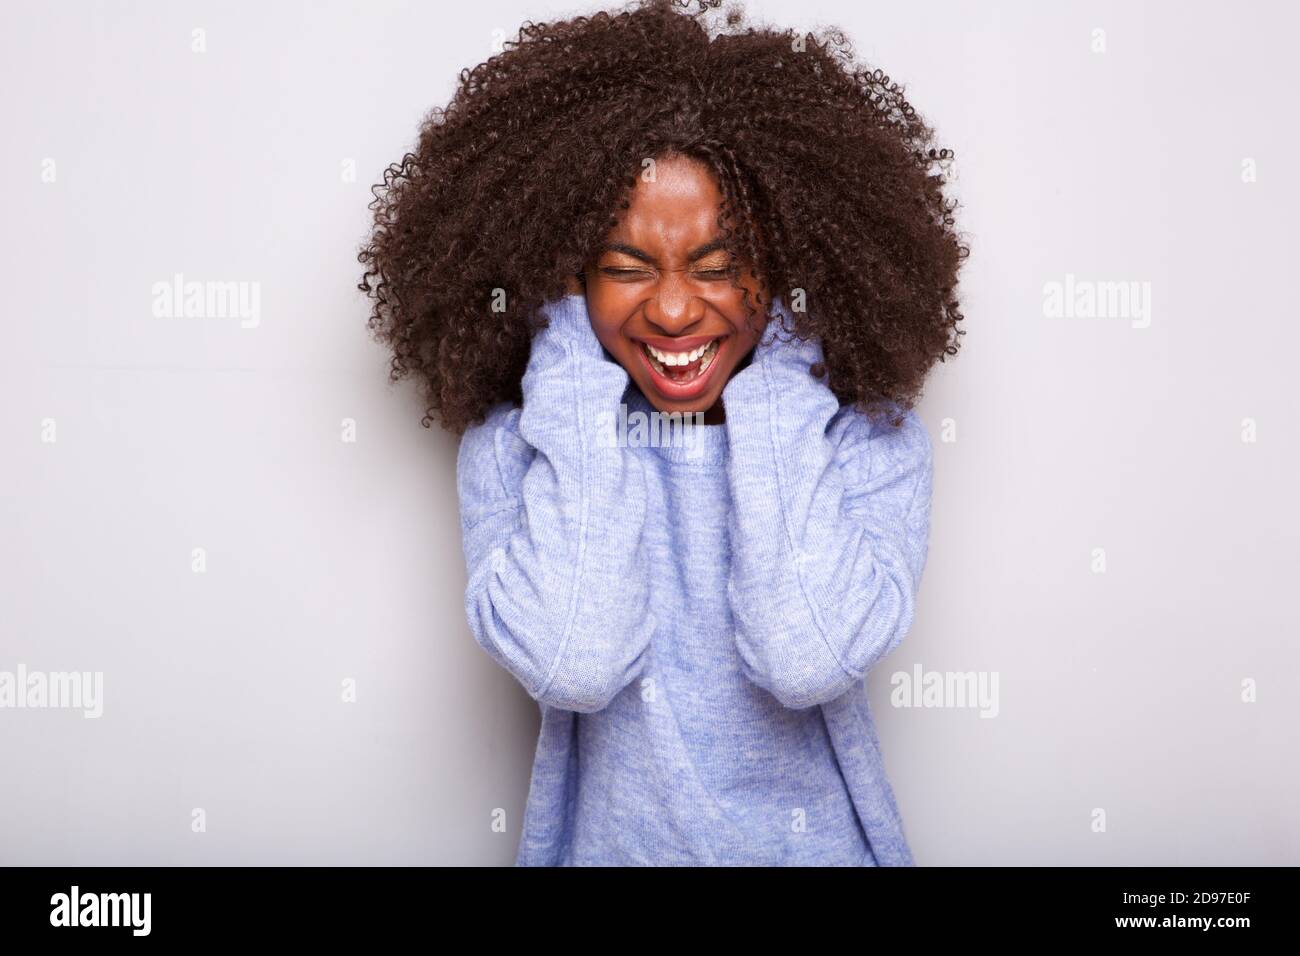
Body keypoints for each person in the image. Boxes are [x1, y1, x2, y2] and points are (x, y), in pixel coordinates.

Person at [359, 0, 967, 865]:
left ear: (791, 262)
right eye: (624, 268)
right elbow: (578, 657)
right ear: (561, 276)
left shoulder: (864, 445)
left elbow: (807, 656)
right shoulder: (521, 450)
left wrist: (786, 361)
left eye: (722, 268)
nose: (677, 309)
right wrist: (565, 355)